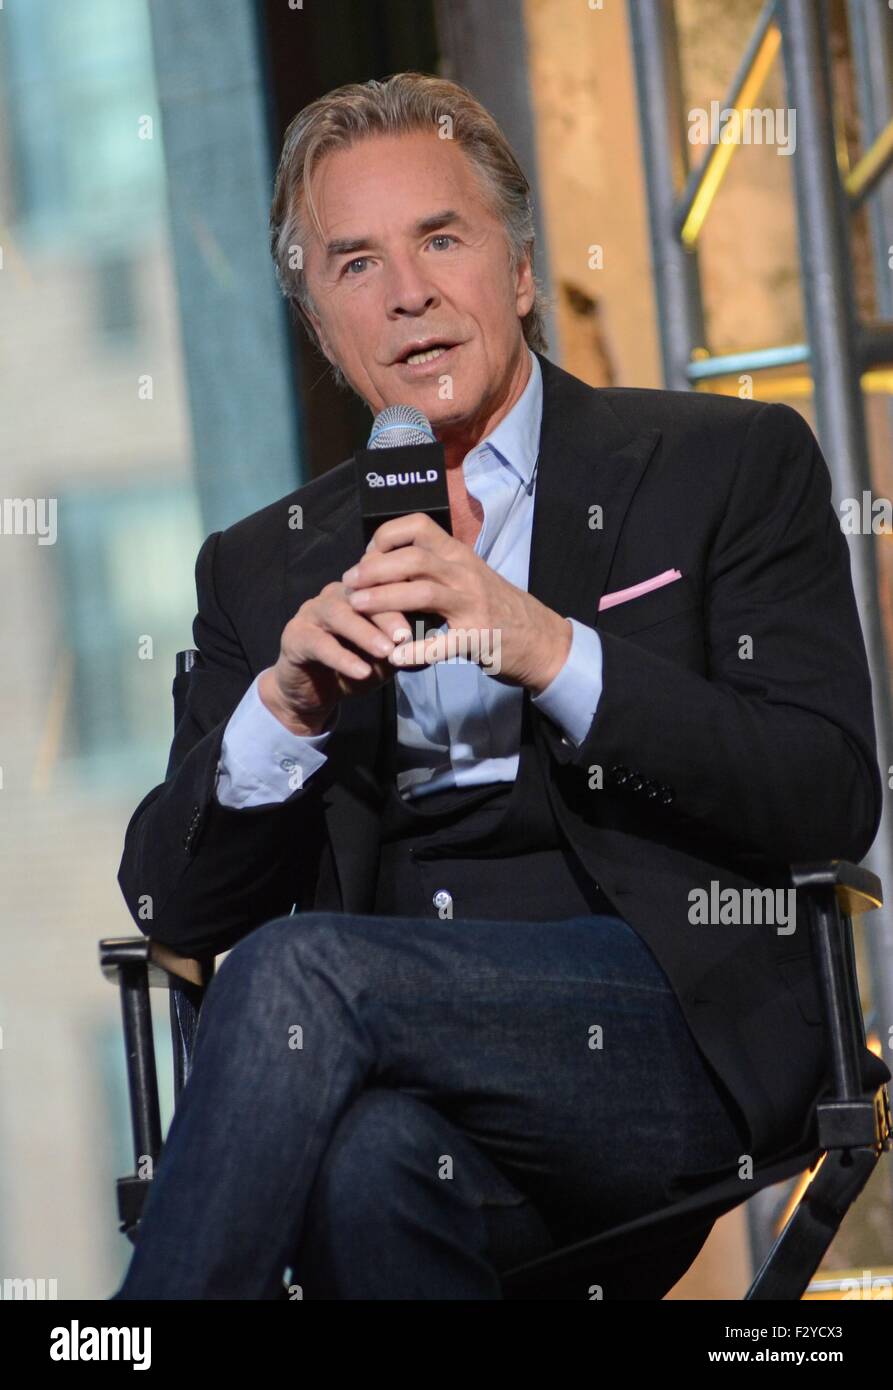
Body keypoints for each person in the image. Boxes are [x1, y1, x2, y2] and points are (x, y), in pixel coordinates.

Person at [112, 72, 889, 1299]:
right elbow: (170, 900)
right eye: (354, 262)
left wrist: (547, 649)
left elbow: (827, 791)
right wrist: (285, 712)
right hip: (406, 1085)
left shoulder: (719, 463)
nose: (408, 291)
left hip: (661, 1023)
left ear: (518, 272)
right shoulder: (262, 567)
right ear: (320, 322)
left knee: (301, 971)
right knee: (367, 1173)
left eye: (439, 238)